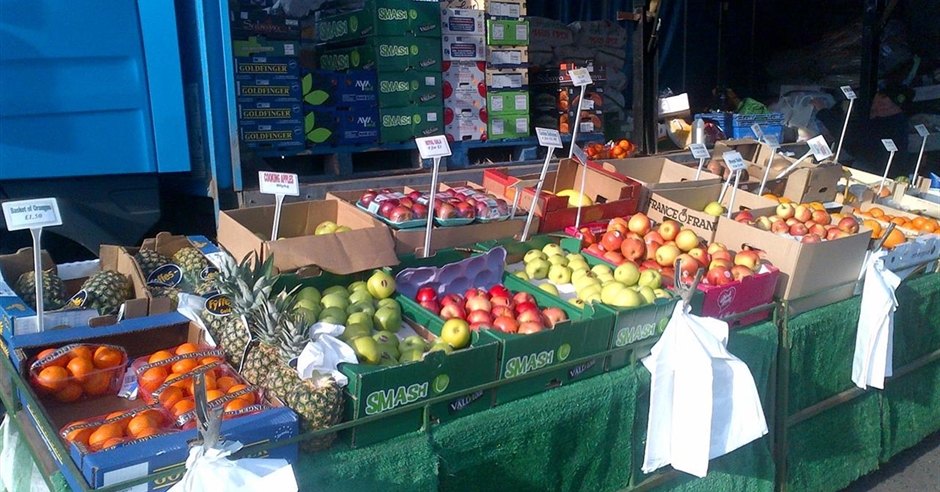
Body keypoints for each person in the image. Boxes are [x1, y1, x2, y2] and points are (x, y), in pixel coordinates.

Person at [816, 82, 914, 177]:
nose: (875, 107)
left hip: (876, 176)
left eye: (882, 104)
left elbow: (850, 134)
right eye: (874, 102)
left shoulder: (885, 125)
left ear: (898, 108)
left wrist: (822, 111)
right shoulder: (896, 122)